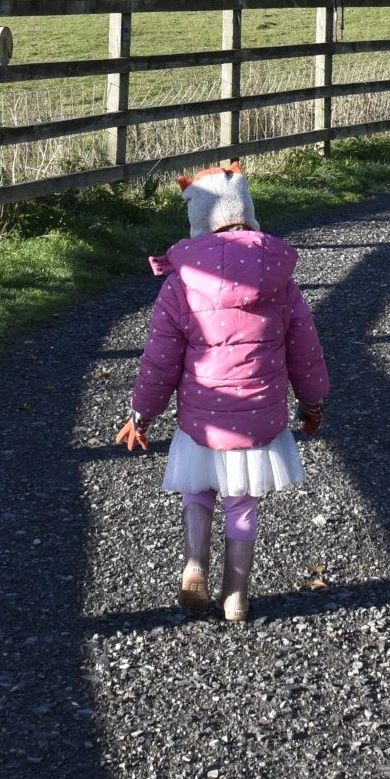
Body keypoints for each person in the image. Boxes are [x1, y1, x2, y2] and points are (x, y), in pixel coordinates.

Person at [116, 164, 327, 622]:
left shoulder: (181, 282)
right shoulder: (280, 280)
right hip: (259, 418)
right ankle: (236, 595)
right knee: (242, 502)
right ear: (248, 215)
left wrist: (142, 413)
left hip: (202, 418)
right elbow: (305, 351)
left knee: (198, 489)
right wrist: (312, 404)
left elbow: (159, 359)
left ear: (199, 223)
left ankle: (195, 564)